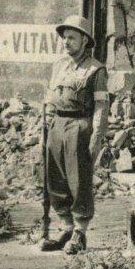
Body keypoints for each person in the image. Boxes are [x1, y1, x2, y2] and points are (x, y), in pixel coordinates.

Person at [38, 15, 108, 254]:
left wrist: (96, 136)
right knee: (55, 177)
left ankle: (79, 233)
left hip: (80, 126)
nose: (66, 42)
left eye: (71, 38)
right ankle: (65, 227)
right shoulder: (59, 65)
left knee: (78, 180)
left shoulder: (96, 69)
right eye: (64, 38)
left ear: (85, 40)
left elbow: (101, 106)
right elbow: (50, 96)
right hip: (58, 124)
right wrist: (48, 122)